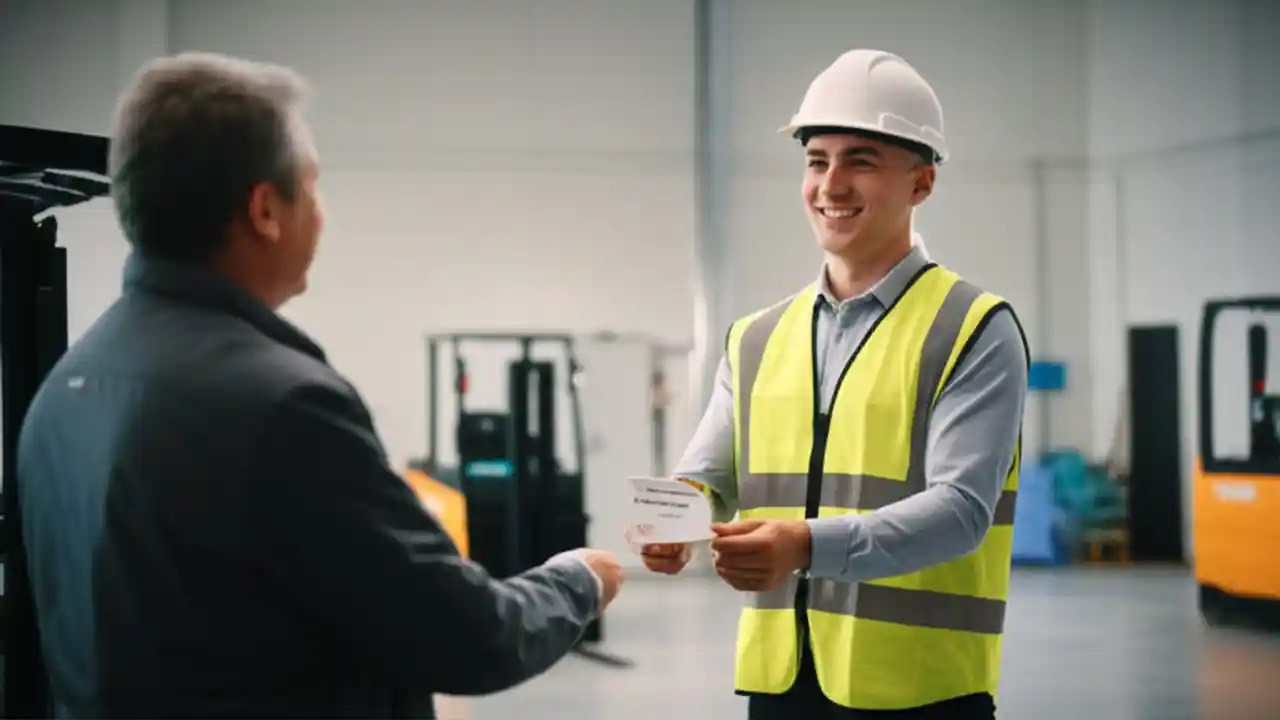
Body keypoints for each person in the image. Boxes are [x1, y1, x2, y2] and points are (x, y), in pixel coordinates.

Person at [16, 52, 622, 718]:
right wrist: (576, 582)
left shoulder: (67, 385)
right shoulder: (281, 405)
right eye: (312, 186)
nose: (320, 210)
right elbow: (466, 637)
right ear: (266, 210)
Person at [642, 49, 1029, 718]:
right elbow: (707, 475)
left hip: (921, 691)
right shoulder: (756, 338)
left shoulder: (973, 328)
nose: (831, 184)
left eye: (862, 160)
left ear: (922, 184)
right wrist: (675, 519)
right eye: (817, 160)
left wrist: (803, 545)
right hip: (781, 683)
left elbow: (962, 511)